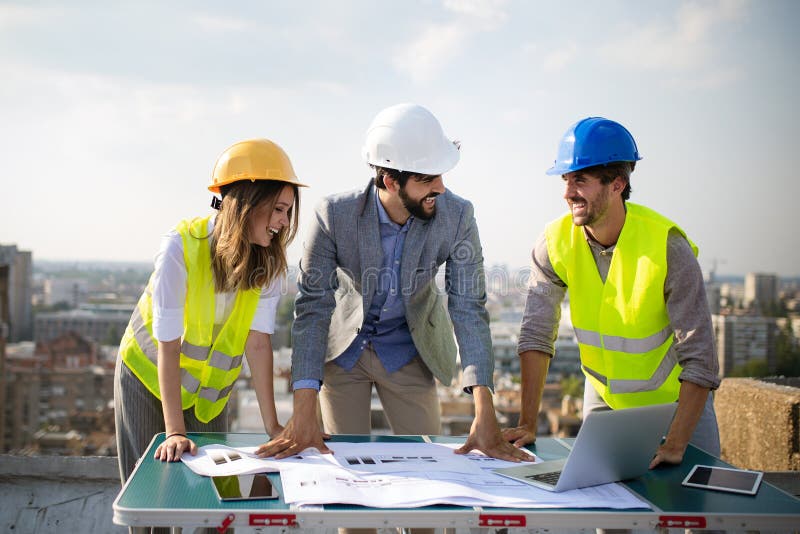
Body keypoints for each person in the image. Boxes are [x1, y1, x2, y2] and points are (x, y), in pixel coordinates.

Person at [257, 103, 531, 464]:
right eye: (427, 179)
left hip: (410, 349)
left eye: (440, 175)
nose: (441, 187)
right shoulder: (333, 216)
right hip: (344, 351)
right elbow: (312, 308)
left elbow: (468, 307)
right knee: (346, 474)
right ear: (390, 180)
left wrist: (484, 407)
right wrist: (304, 400)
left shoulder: (458, 215)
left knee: (430, 471)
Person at [504, 117, 720, 468]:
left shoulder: (667, 247)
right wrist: (527, 423)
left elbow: (701, 357)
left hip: (679, 407)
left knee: (696, 515)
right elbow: (536, 335)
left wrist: (676, 442)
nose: (568, 192)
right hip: (605, 401)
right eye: (566, 179)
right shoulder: (554, 243)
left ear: (617, 184)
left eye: (581, 180)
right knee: (604, 508)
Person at [114, 138, 307, 492]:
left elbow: (259, 344)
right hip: (146, 375)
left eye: (287, 212)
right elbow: (168, 346)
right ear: (250, 202)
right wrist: (174, 432)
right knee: (152, 491)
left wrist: (273, 427)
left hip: (207, 395)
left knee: (212, 494)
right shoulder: (180, 247)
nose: (283, 221)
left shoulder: (270, 264)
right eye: (278, 209)